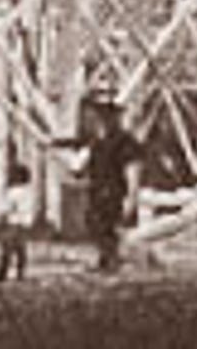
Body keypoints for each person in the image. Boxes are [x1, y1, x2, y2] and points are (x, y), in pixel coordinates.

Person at [75, 96, 141, 274]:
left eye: (106, 115)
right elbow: (82, 166)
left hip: (115, 190)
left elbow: (132, 168)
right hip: (97, 189)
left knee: (108, 226)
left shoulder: (125, 141)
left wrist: (132, 196)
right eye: (100, 114)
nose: (101, 119)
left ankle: (112, 261)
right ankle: (106, 259)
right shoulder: (96, 142)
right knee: (95, 224)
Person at [0, 168, 36, 281]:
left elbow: (6, 208)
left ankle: (2, 274)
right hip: (24, 224)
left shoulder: (12, 192)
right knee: (21, 251)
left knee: (6, 251)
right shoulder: (30, 193)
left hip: (12, 223)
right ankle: (20, 274)